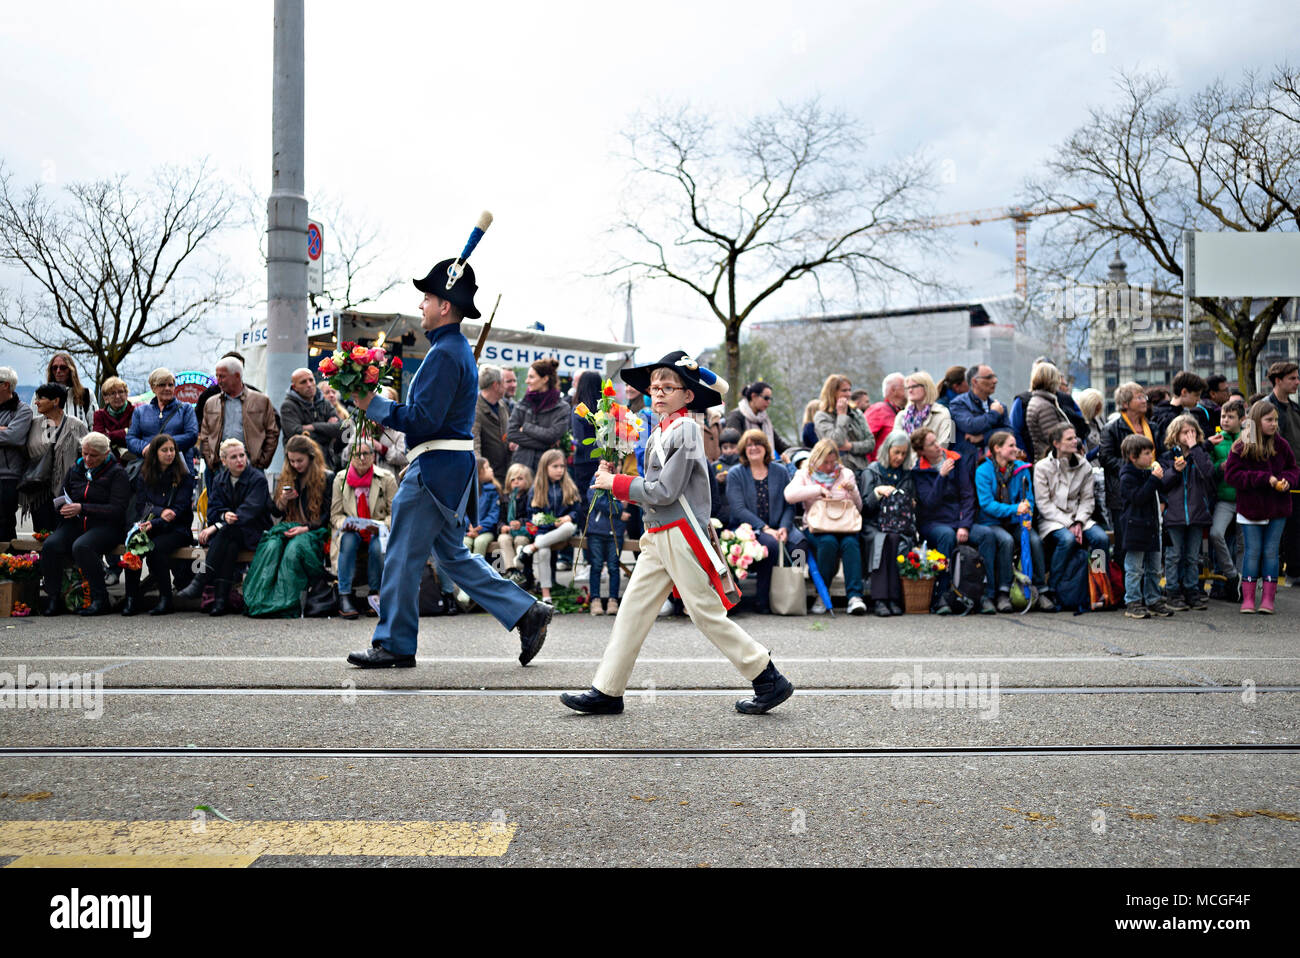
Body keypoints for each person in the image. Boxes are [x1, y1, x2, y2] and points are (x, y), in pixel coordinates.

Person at [562, 351, 794, 715]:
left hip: (680, 533)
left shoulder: (686, 429)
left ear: (688, 395)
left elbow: (665, 491)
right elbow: (656, 492)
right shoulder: (662, 429)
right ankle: (607, 689)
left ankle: (767, 676)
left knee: (704, 613)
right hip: (660, 533)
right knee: (633, 611)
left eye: (668, 387)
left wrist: (617, 482)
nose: (657, 393)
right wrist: (616, 481)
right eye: (654, 387)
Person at [345, 257, 550, 669]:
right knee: (453, 557)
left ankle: (395, 643)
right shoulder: (451, 350)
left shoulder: (443, 354)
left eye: (427, 298)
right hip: (448, 468)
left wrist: (376, 405)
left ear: (444, 306)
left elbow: (424, 420)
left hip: (435, 469)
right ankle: (527, 612)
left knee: (401, 555)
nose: (421, 305)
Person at [241, 434, 334, 618]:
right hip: (289, 527)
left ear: (311, 457)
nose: (296, 465)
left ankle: (286, 603)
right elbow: (275, 513)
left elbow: (328, 515)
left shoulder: (327, 478)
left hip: (314, 531)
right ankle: (261, 599)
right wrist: (282, 501)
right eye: (291, 461)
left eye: (300, 460)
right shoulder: (287, 477)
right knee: (271, 547)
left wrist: (305, 528)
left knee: (294, 550)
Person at [177, 439, 273, 616]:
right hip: (231, 535)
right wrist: (222, 516)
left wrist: (217, 525)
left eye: (242, 455)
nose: (240, 460)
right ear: (224, 461)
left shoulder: (257, 479)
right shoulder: (220, 479)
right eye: (234, 457)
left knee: (227, 533)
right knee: (229, 544)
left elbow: (249, 512)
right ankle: (220, 601)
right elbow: (213, 510)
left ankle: (201, 581)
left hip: (254, 532)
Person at [38, 432, 128, 617]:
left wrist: (83, 508)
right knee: (51, 545)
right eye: (84, 453)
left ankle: (100, 599)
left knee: (82, 546)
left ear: (105, 454)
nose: (87, 459)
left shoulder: (117, 473)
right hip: (76, 523)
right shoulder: (76, 469)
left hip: (106, 526)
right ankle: (54, 597)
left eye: (93, 455)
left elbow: (117, 509)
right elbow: (63, 493)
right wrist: (62, 507)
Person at [910, 427, 998, 615]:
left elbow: (968, 497)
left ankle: (985, 594)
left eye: (936, 440)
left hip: (958, 520)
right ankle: (942, 595)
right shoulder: (918, 471)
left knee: (987, 535)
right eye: (931, 444)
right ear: (921, 451)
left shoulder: (955, 461)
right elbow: (929, 503)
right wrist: (941, 477)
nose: (938, 446)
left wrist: (964, 525)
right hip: (933, 522)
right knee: (946, 536)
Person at [1225, 399, 1300, 614]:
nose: (1274, 424)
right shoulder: (1241, 446)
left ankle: (1268, 599)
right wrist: (1263, 478)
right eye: (1269, 420)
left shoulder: (1282, 445)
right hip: (1251, 508)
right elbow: (1232, 475)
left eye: (1276, 420)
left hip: (1277, 508)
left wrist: (1288, 480)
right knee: (1252, 552)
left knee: (1271, 552)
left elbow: (1293, 469)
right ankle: (1248, 599)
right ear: (1257, 421)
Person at [974, 431, 1055, 613]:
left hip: (1016, 521)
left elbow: (1029, 499)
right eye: (1011, 445)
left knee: (1034, 540)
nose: (1016, 449)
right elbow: (986, 504)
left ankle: (1041, 590)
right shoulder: (983, 471)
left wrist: (1028, 513)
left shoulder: (1021, 469)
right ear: (997, 448)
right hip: (991, 522)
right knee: (1006, 541)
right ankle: (1003, 592)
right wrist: (1014, 509)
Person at [787, 437, 868, 614]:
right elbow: (789, 495)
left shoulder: (846, 474)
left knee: (850, 544)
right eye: (825, 462)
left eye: (833, 462)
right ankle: (822, 594)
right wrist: (817, 490)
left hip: (845, 526)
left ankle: (855, 596)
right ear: (816, 459)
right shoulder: (804, 474)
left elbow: (859, 507)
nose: (830, 467)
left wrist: (853, 490)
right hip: (817, 527)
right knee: (828, 543)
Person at [1033, 423, 1110, 602]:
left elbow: (1088, 500)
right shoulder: (1042, 467)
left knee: (1101, 539)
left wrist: (1079, 522)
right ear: (1056, 443)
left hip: (1080, 518)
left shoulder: (1084, 466)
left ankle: (1099, 586)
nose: (1075, 441)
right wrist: (1069, 523)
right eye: (1069, 438)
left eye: (1075, 437)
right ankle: (1053, 587)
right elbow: (1044, 504)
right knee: (1067, 540)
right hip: (1053, 519)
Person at [726, 428, 798, 614]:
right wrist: (765, 528)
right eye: (749, 445)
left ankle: (793, 595)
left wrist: (784, 527)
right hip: (746, 528)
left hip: (778, 526)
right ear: (743, 450)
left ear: (766, 448)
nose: (753, 448)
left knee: (801, 546)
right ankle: (760, 600)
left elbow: (789, 505)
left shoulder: (780, 472)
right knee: (770, 545)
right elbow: (738, 509)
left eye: (757, 443)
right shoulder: (736, 473)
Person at [122, 433, 195, 616]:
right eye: (164, 450)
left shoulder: (184, 476)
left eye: (172, 450)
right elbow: (141, 505)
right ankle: (131, 598)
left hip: (177, 529)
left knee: (156, 549)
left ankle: (165, 598)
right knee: (134, 547)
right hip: (151, 524)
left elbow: (179, 510)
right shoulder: (145, 475)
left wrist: (156, 520)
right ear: (155, 453)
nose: (169, 454)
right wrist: (160, 511)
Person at [330, 439, 397, 619]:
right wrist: (345, 523)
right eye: (356, 454)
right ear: (350, 457)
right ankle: (345, 594)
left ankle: (375, 594)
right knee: (348, 540)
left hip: (378, 530)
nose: (361, 458)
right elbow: (335, 515)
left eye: (365, 454)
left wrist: (382, 525)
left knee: (377, 546)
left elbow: (396, 513)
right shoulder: (340, 479)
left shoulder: (387, 478)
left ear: (373, 456)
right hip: (353, 531)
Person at [1157, 413, 1214, 611]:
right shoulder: (1166, 457)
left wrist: (1196, 448)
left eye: (1192, 432)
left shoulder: (1200, 454)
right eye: (1184, 432)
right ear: (1175, 434)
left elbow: (1208, 473)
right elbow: (1162, 483)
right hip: (1174, 515)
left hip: (1197, 513)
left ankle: (1191, 590)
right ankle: (1172, 591)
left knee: (1192, 556)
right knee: (1173, 556)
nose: (1189, 435)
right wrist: (1175, 470)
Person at [1117, 434, 1176, 618]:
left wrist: (1175, 471)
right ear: (1133, 457)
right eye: (1146, 453)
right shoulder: (1127, 476)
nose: (1151, 456)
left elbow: (1162, 488)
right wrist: (1153, 479)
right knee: (1134, 568)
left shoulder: (1148, 471)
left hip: (1153, 526)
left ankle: (1153, 599)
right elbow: (1138, 498)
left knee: (1154, 568)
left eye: (1151, 452)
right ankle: (1133, 601)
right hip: (1135, 528)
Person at [856, 432, 915, 616]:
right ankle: (880, 599)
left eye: (904, 454)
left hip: (899, 526)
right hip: (873, 524)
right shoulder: (871, 472)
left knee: (895, 538)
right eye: (896, 452)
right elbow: (864, 507)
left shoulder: (906, 475)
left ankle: (895, 598)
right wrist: (877, 492)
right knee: (882, 540)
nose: (900, 458)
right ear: (887, 450)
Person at [515, 448, 581, 604]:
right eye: (555, 466)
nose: (560, 470)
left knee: (569, 527)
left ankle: (529, 549)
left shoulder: (569, 486)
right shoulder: (536, 489)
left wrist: (568, 517)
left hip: (562, 530)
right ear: (545, 468)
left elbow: (577, 511)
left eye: (562, 466)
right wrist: (553, 522)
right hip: (544, 531)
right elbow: (534, 516)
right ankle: (546, 595)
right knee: (543, 552)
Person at [22, 383, 88, 534]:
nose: (36, 402)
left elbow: (87, 452)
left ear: (56, 401)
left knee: (65, 535)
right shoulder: (33, 424)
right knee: (42, 535)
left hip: (66, 493)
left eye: (41, 398)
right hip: (38, 491)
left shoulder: (75, 425)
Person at [198, 356, 280, 472]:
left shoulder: (261, 401)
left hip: (252, 468)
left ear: (237, 376)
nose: (218, 380)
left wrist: (262, 461)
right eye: (217, 376)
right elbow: (205, 435)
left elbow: (272, 432)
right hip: (219, 469)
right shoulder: (211, 403)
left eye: (222, 376)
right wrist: (211, 461)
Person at [1098, 382, 1152, 555]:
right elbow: (1106, 459)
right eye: (1139, 397)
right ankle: (1125, 582)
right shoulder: (1111, 429)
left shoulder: (1152, 427)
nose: (1144, 401)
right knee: (1126, 546)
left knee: (1149, 546)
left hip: (1150, 490)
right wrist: (1136, 467)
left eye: (1145, 397)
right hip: (1122, 495)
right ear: (1125, 404)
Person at [1264, 361, 1300, 587]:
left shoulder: (1295, 408)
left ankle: (1295, 570)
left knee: (1296, 525)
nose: (1297, 382)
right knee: (1278, 528)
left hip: (1295, 475)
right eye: (1292, 378)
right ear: (1278, 380)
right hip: (1275, 478)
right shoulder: (1265, 407)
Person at [1207, 398, 1245, 598]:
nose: (1226, 420)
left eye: (1231, 417)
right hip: (1225, 498)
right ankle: (1232, 575)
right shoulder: (1216, 440)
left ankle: (1241, 582)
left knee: (1243, 543)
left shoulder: (1249, 440)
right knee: (1216, 534)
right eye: (1223, 416)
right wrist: (1219, 467)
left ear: (1242, 419)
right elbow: (1208, 469)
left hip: (1246, 499)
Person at [506, 357, 570, 474]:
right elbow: (511, 434)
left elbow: (552, 436)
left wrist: (526, 427)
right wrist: (545, 444)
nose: (527, 381)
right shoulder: (523, 403)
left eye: (531, 377)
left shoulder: (562, 408)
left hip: (547, 469)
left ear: (545, 379)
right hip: (521, 468)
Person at [126, 368, 199, 464]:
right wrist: (144, 448)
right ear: (153, 388)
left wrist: (158, 447)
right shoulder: (140, 411)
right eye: (162, 385)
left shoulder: (186, 409)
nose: (167, 388)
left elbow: (192, 435)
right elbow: (131, 438)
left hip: (178, 468)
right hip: (149, 468)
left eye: (170, 385)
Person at [280, 368, 343, 467]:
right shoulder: (288, 406)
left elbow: (341, 428)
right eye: (303, 382)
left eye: (311, 380)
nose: (309, 385)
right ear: (294, 387)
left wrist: (313, 427)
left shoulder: (324, 403)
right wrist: (328, 432)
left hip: (326, 462)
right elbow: (296, 434)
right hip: (300, 466)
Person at [814, 374, 875, 473]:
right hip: (837, 473)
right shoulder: (822, 416)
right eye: (844, 391)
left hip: (862, 470)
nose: (848, 394)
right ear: (832, 392)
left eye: (849, 390)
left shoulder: (856, 413)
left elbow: (871, 443)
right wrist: (841, 415)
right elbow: (836, 442)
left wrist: (851, 446)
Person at [586, 481, 629, 617]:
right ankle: (595, 599)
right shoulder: (595, 481)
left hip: (616, 532)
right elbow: (599, 502)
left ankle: (613, 600)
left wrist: (618, 508)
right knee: (596, 565)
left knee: (614, 566)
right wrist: (618, 508)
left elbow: (627, 502)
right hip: (597, 531)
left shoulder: (621, 480)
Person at [341, 386, 408, 473]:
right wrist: (360, 440)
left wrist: (382, 448)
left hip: (387, 481)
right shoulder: (362, 426)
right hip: (362, 479)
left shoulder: (398, 429)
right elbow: (345, 456)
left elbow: (404, 458)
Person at [949, 364, 1008, 462]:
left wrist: (983, 437)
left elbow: (1009, 432)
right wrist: (994, 414)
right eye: (989, 377)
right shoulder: (959, 403)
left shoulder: (999, 406)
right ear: (974, 381)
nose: (995, 381)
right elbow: (971, 426)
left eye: (994, 377)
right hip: (969, 465)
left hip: (996, 464)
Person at [0, 367, 32, 542]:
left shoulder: (23, 410)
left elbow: (14, 437)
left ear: (5, 385)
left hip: (7, 476)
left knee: (5, 523)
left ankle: (8, 565)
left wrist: (8, 432)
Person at [893, 370, 953, 464]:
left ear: (927, 388)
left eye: (914, 386)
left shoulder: (942, 413)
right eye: (908, 387)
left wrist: (919, 463)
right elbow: (895, 444)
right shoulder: (902, 416)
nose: (910, 390)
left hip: (931, 469)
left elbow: (944, 445)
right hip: (905, 469)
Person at [725, 381, 789, 459]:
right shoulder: (736, 417)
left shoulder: (764, 419)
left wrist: (799, 455)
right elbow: (735, 446)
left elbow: (779, 445)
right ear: (753, 396)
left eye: (770, 399)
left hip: (767, 464)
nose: (768, 402)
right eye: (766, 398)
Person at [569, 370, 604, 509]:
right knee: (601, 498)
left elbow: (578, 439)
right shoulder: (606, 409)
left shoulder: (579, 409)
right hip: (603, 459)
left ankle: (586, 529)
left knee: (585, 500)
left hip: (583, 461)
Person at [1024, 363, 1071, 462]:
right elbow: (1056, 438)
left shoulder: (1037, 401)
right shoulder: (1045, 406)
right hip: (1052, 463)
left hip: (1045, 459)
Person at [474, 364, 512, 484]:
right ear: (496, 385)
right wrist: (481, 472)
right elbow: (474, 443)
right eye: (504, 382)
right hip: (488, 478)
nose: (506, 386)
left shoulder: (502, 406)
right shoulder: (475, 409)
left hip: (505, 474)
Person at [496, 463, 535, 578]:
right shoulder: (505, 498)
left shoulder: (529, 497)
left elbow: (532, 517)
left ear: (527, 480)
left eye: (520, 479)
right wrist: (502, 527)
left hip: (524, 531)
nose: (516, 482)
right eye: (513, 479)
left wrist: (521, 523)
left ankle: (521, 569)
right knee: (503, 538)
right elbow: (500, 519)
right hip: (509, 531)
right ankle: (512, 570)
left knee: (520, 540)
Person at [46, 352, 96, 428]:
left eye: (63, 367)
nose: (58, 371)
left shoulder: (86, 394)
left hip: (81, 438)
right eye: (55, 368)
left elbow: (94, 425)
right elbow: (35, 425)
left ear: (71, 370)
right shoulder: (41, 396)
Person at [93, 377, 136, 461]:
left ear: (126, 394)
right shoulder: (99, 415)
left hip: (132, 460)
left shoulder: (135, 412)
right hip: (108, 461)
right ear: (106, 398)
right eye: (112, 393)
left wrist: (109, 436)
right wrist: (125, 431)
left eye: (121, 392)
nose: (117, 396)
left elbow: (134, 436)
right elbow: (99, 440)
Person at [865, 373, 906, 462]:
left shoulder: (904, 412)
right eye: (905, 388)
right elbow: (864, 440)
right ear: (893, 390)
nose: (909, 391)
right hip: (879, 469)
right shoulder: (878, 410)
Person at [1076, 388, 1106, 460]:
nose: (1097, 412)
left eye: (1098, 409)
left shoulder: (1100, 419)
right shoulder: (1079, 425)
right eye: (1095, 409)